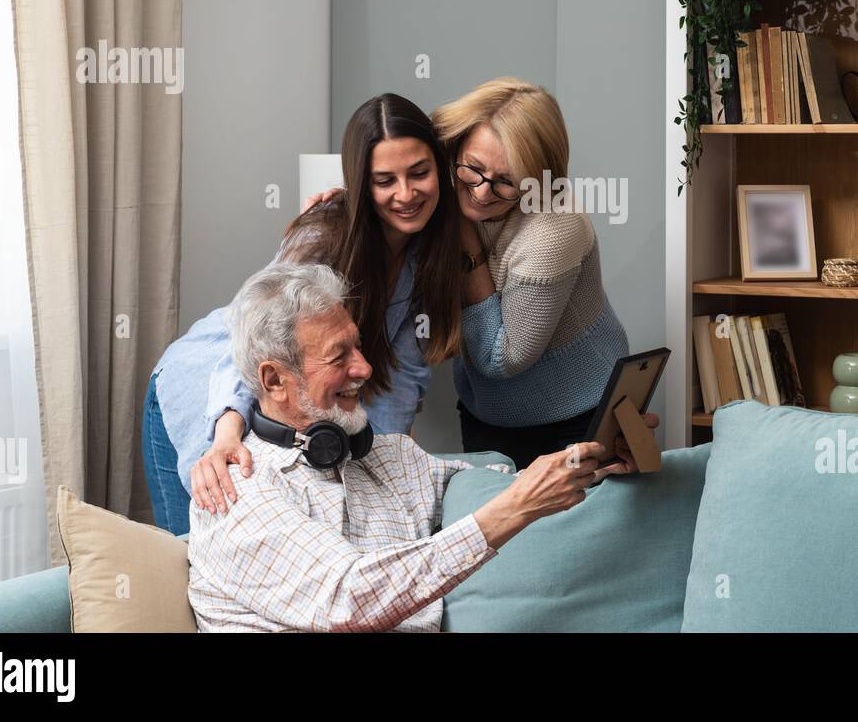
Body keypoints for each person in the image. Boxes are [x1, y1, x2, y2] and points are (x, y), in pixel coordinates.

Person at [187, 262, 627, 632]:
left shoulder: (391, 456)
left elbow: (499, 486)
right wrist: (512, 510)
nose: (363, 368)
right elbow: (350, 598)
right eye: (339, 357)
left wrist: (594, 460)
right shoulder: (235, 492)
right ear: (274, 380)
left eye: (357, 346)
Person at [142, 94, 463, 535]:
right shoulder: (323, 234)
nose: (405, 194)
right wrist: (225, 434)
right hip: (211, 387)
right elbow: (254, 348)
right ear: (361, 183)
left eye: (419, 173)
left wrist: (389, 470)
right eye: (384, 180)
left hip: (268, 388)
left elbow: (401, 380)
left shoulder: (430, 253)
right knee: (199, 551)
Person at [432, 78, 638, 468]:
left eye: (506, 181)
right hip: (485, 411)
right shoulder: (446, 185)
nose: (480, 193)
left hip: (575, 415)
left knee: (565, 529)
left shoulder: (554, 229)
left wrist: (468, 249)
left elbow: (502, 358)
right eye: (473, 169)